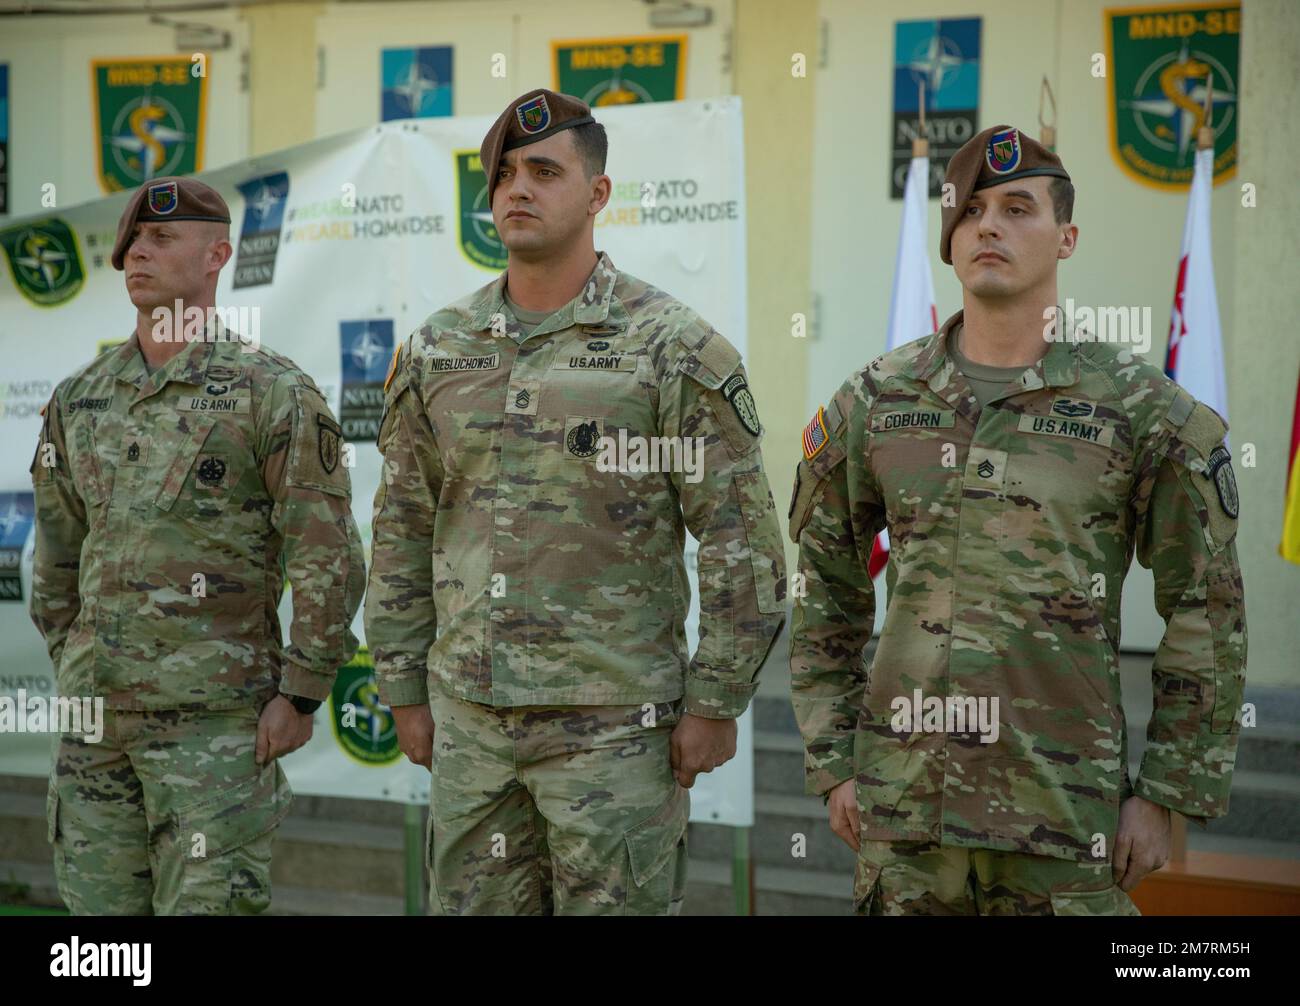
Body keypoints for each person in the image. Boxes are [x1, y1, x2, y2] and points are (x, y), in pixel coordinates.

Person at [788, 125, 1246, 915]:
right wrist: (834, 761)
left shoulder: (1141, 409)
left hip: (1062, 820)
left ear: (1067, 237)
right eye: (969, 212)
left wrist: (1166, 792)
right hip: (908, 818)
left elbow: (1207, 606)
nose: (988, 227)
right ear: (949, 240)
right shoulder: (878, 400)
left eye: (1017, 208)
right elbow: (824, 588)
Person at [365, 89, 786, 915]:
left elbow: (740, 539)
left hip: (616, 732)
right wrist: (403, 685)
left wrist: (715, 701)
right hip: (472, 730)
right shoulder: (439, 350)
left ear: (598, 194)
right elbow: (404, 525)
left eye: (544, 171)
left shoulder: (671, 347)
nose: (517, 188)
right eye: (504, 174)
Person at [30, 176, 365, 915]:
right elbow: (56, 554)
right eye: (132, 241)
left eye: (161, 238)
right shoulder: (81, 398)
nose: (138, 254)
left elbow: (328, 554)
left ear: (217, 256)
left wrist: (302, 692)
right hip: (95, 730)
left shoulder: (270, 392)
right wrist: (79, 661)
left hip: (213, 730)